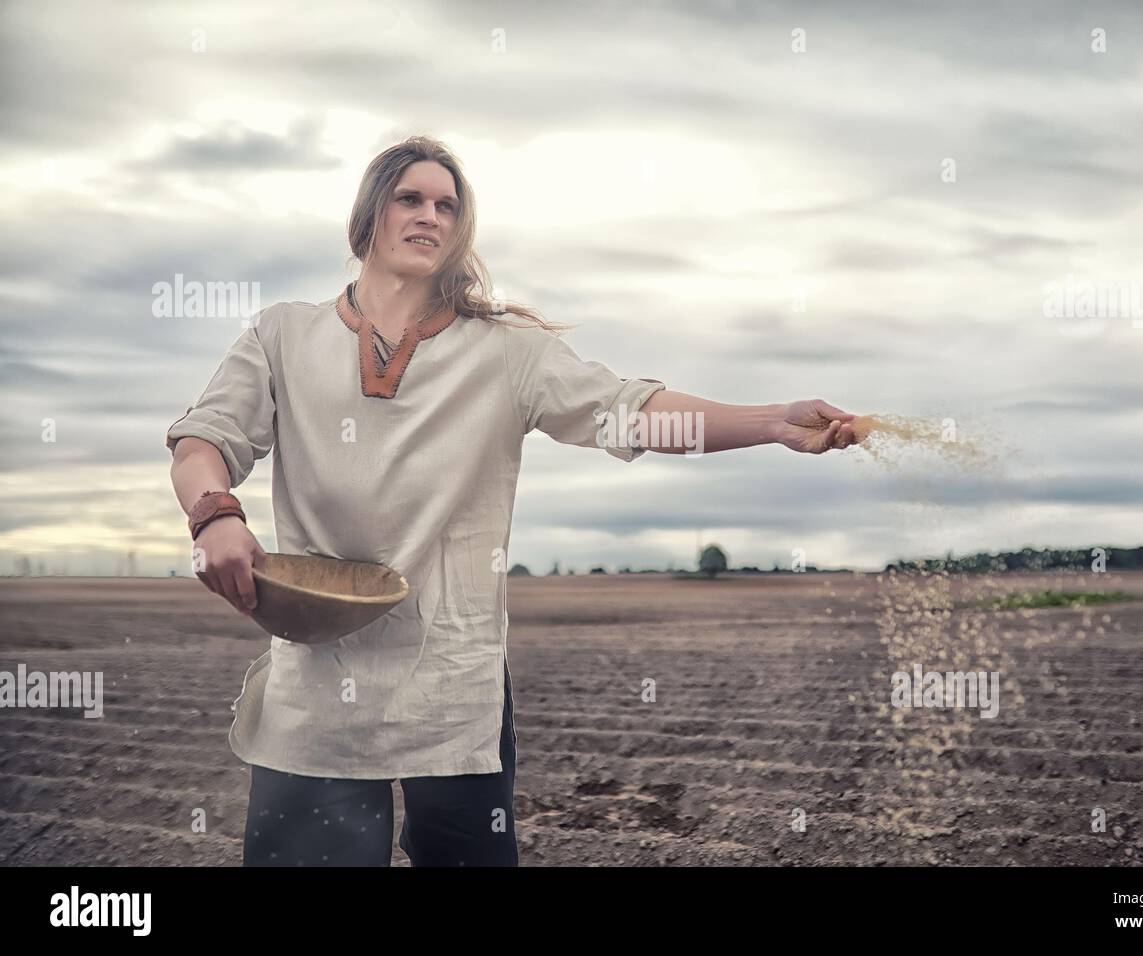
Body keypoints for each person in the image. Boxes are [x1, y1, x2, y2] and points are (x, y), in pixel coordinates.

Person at [165, 136, 862, 867]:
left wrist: (772, 422)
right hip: (317, 676)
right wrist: (215, 514)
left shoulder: (506, 351)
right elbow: (203, 439)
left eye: (447, 205)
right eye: (410, 198)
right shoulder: (283, 334)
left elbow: (630, 411)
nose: (429, 216)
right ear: (367, 216)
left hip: (452, 680)